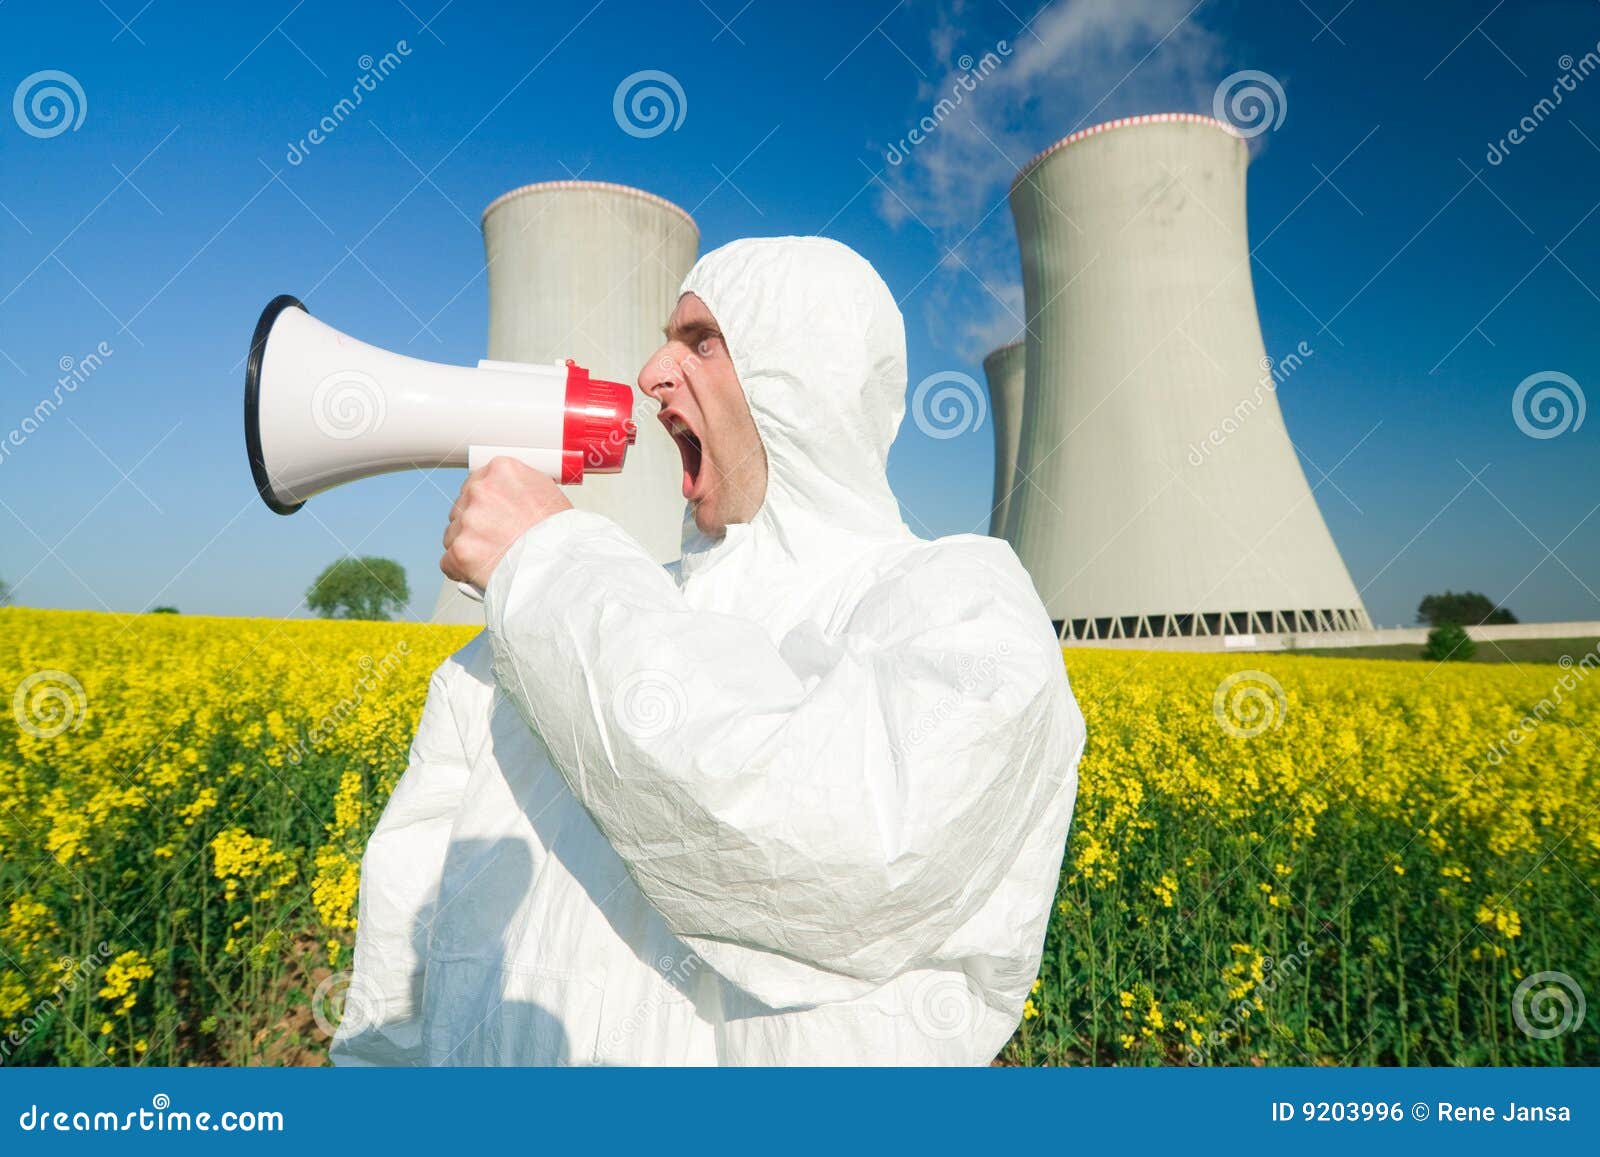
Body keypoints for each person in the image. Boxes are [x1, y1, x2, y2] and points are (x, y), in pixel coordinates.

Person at [330, 236, 1085, 1066]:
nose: (652, 371)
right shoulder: (552, 616)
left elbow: (842, 860)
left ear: (806, 382)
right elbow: (409, 910)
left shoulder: (959, 606)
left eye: (702, 341)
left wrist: (545, 563)